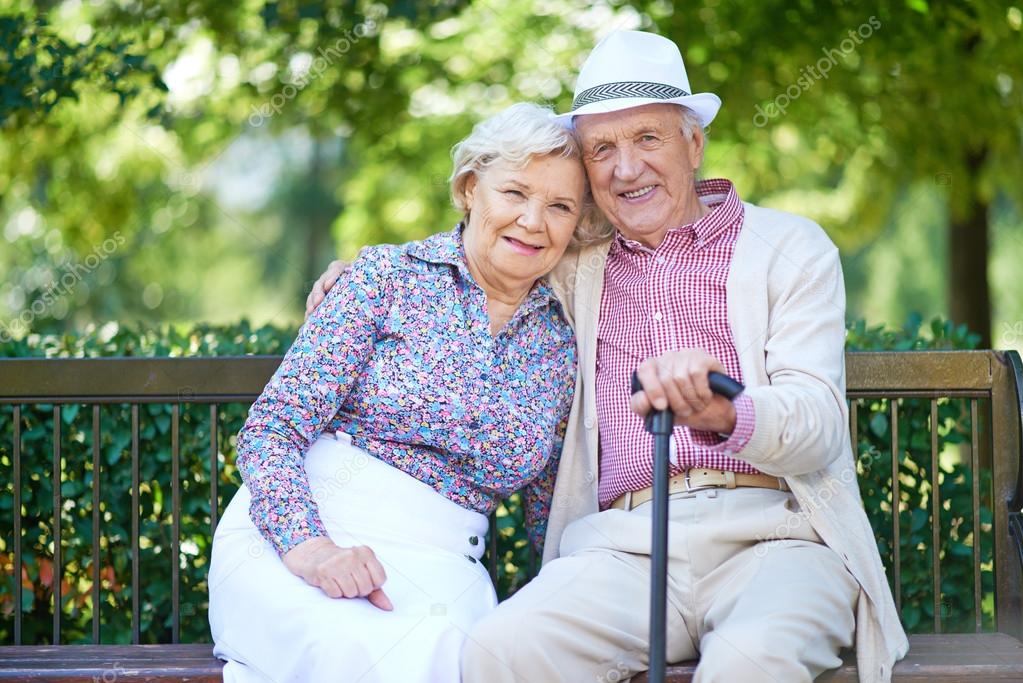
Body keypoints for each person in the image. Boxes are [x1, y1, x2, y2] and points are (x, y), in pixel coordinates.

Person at [309, 31, 909, 682]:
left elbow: (817, 424)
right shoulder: (571, 266)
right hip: (622, 550)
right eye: (602, 149)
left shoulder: (789, 247)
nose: (626, 169)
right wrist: (379, 274)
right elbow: (487, 243)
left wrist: (723, 408)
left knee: (749, 660)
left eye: (647, 138)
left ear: (693, 142)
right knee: (497, 650)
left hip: (774, 538)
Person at [208, 102, 598, 683]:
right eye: (514, 192)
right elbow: (272, 429)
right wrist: (312, 549)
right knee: (352, 649)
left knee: (454, 655)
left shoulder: (561, 341)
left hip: (445, 567)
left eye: (560, 206)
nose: (534, 221)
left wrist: (556, 600)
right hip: (301, 535)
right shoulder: (384, 279)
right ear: (471, 189)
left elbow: (546, 509)